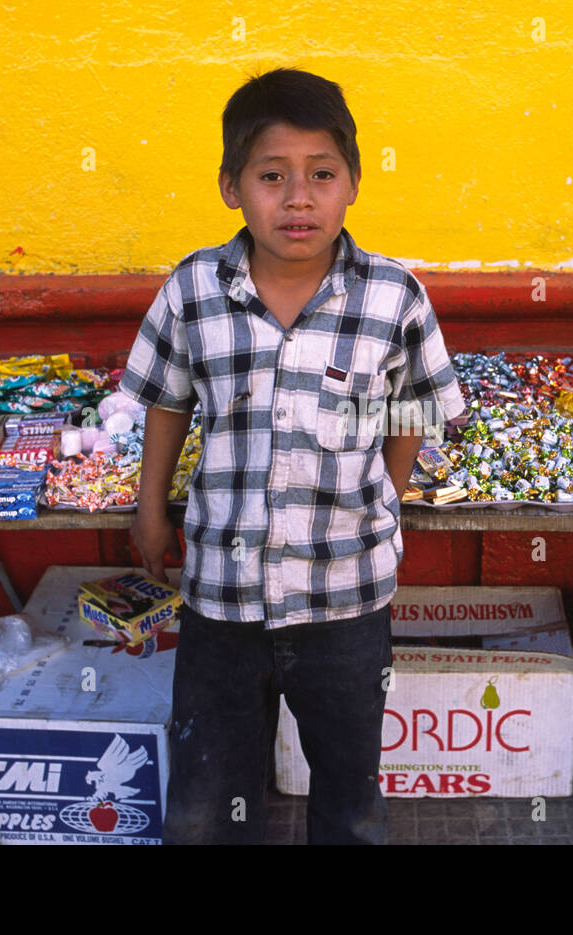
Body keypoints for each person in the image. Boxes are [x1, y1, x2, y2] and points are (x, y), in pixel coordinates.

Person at [119, 67, 466, 844]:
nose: (298, 198)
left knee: (349, 796)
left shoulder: (392, 296)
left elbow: (413, 407)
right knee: (206, 801)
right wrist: (149, 513)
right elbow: (168, 401)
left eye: (321, 175)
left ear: (353, 185)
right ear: (231, 186)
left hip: (346, 598)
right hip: (222, 597)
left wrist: (390, 496)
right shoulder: (193, 289)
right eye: (272, 176)